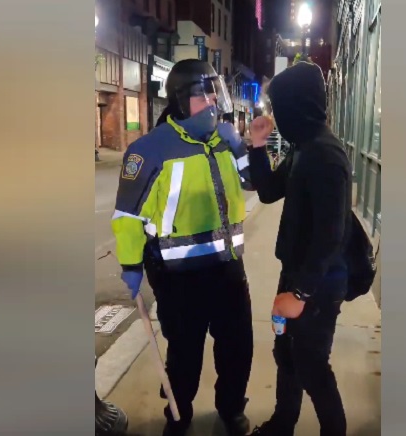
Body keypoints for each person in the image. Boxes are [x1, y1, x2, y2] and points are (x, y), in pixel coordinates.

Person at [111, 59, 255, 436]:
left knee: (237, 347)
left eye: (214, 92)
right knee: (184, 355)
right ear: (178, 99)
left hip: (227, 268)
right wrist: (131, 265)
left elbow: (255, 182)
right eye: (201, 94)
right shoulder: (150, 150)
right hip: (179, 277)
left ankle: (231, 407)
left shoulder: (224, 142)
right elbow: (128, 217)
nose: (211, 101)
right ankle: (179, 412)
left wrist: (244, 147)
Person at [247, 62, 353, 435]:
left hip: (319, 280)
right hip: (298, 271)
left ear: (298, 104)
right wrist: (257, 144)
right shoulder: (304, 147)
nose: (276, 115)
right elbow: (268, 190)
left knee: (310, 363)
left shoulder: (326, 155)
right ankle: (282, 423)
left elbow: (330, 234)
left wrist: (301, 292)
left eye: (279, 106)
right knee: (287, 355)